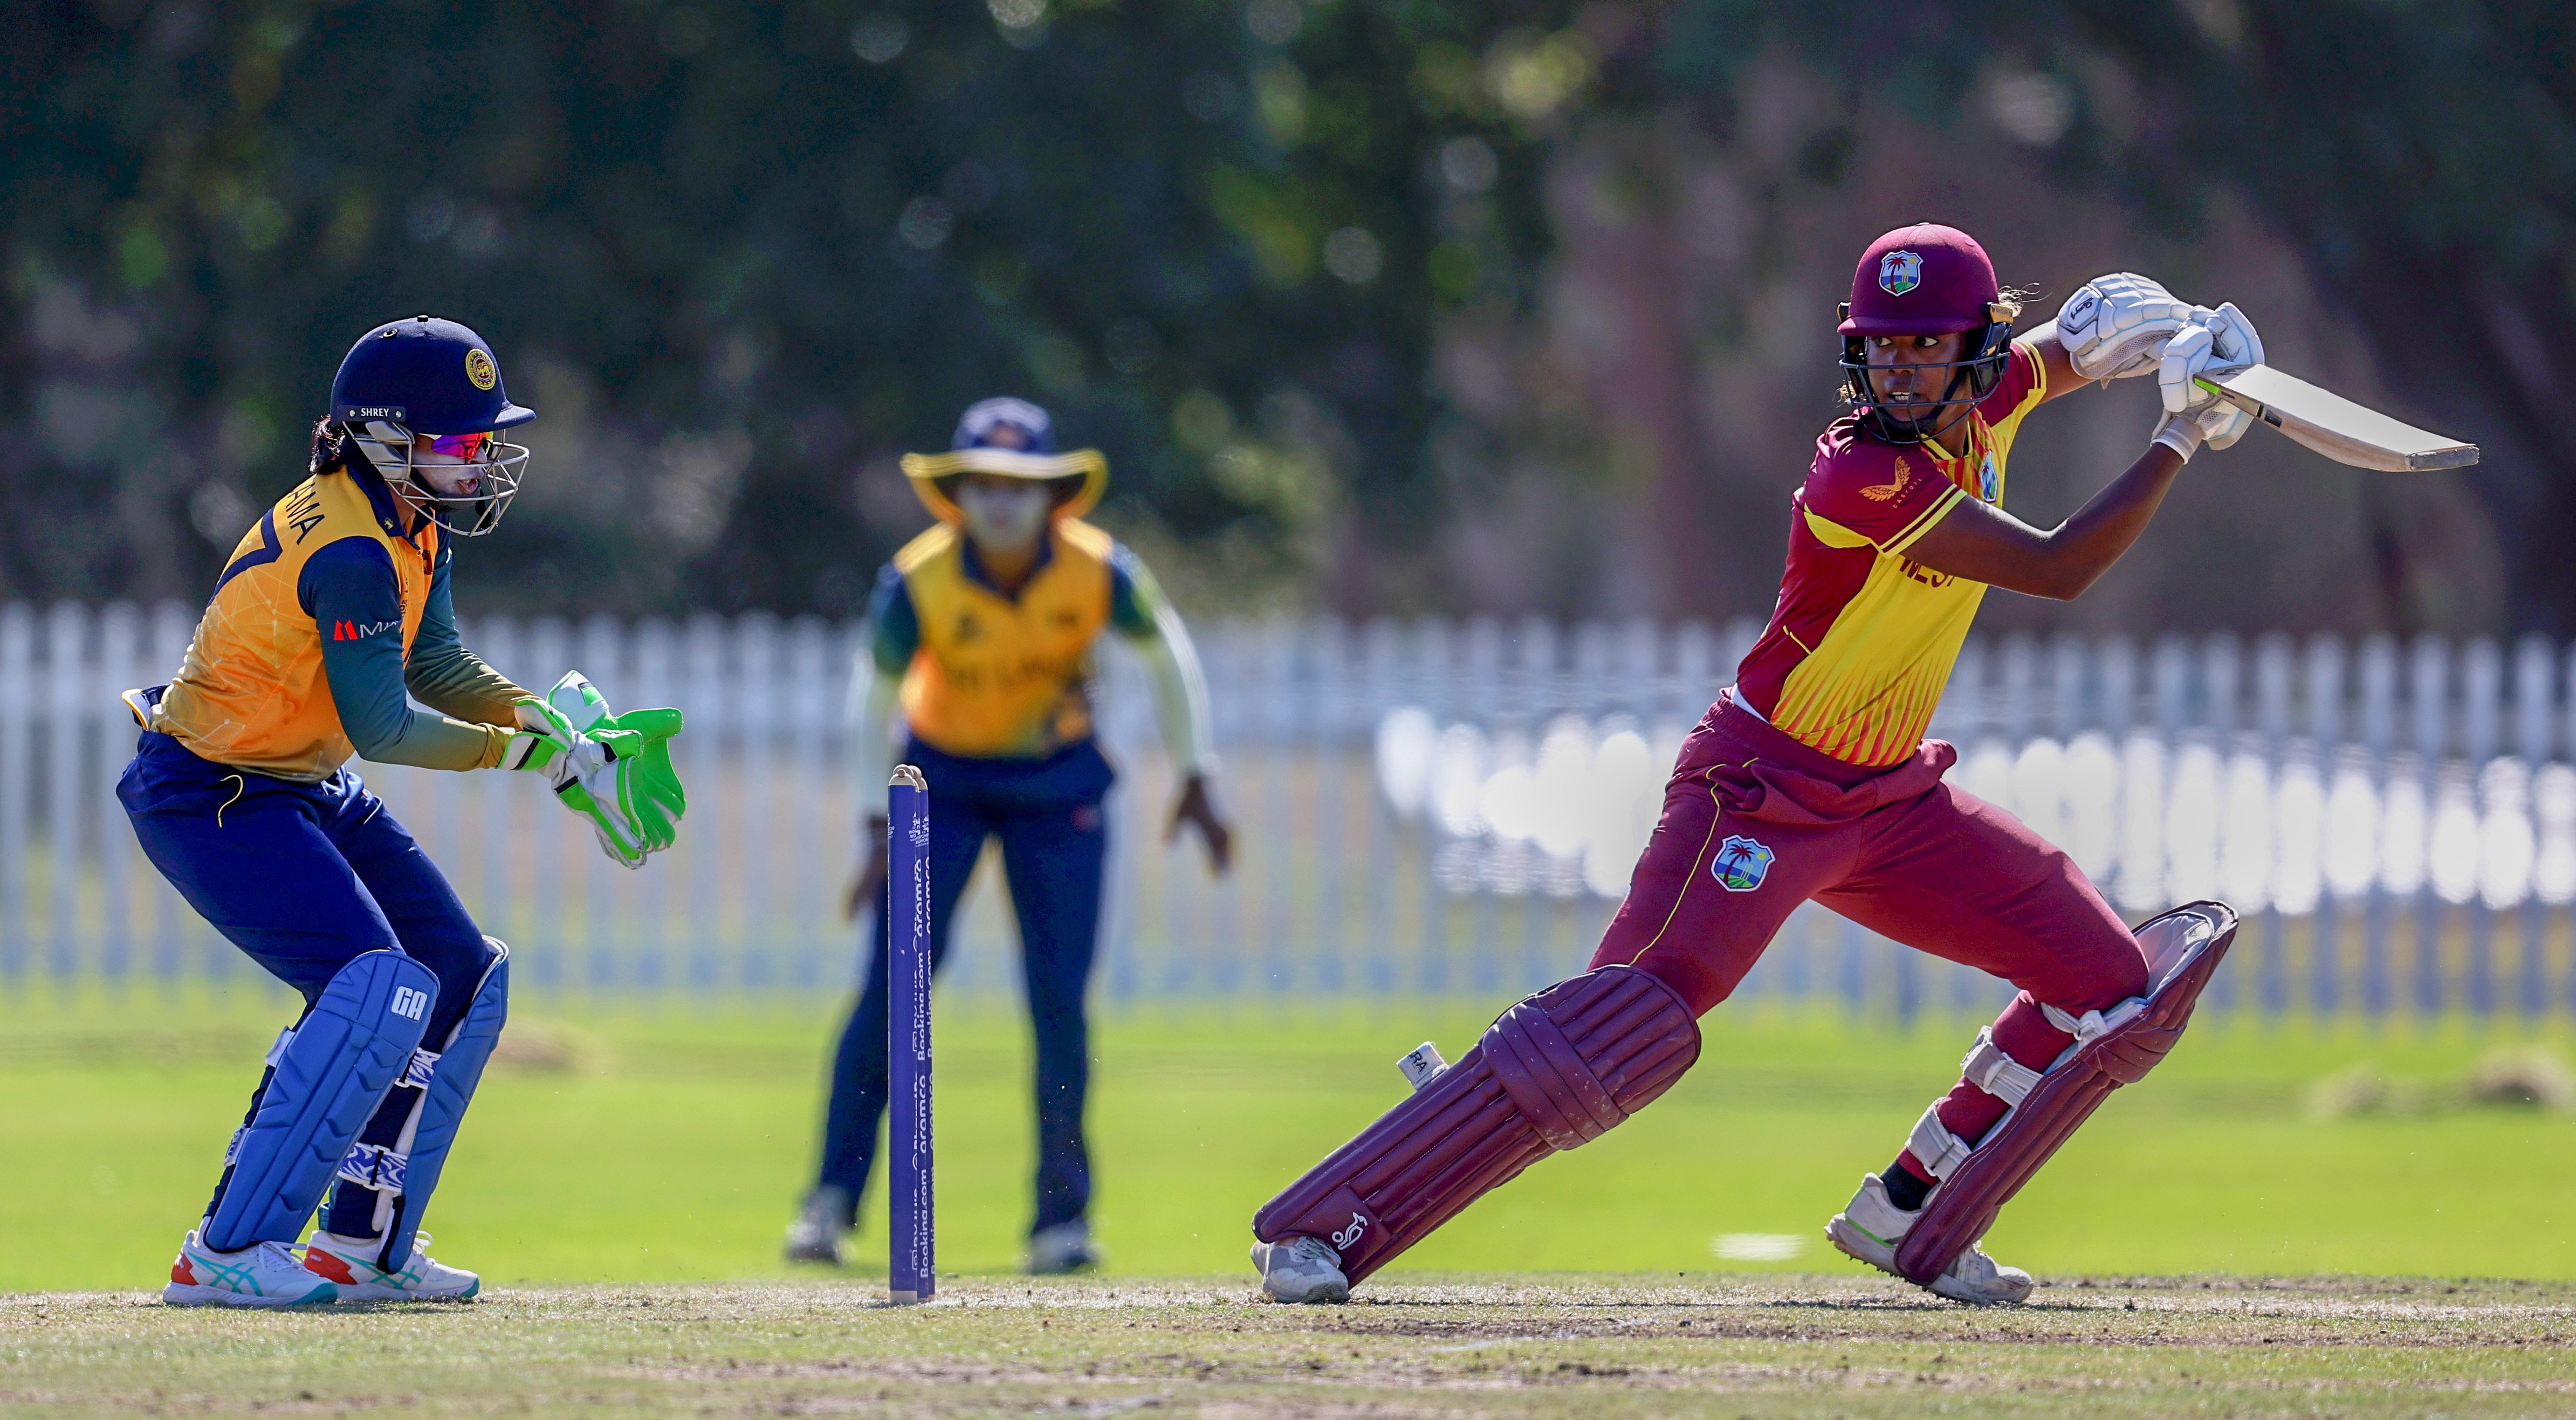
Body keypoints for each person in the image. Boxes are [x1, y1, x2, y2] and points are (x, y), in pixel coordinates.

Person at [1248, 223, 2261, 1306]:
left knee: (2106, 984)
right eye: (1882, 349)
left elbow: (2052, 359)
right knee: (1604, 1038)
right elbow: (2058, 569)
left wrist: (2123, 330)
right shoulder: (1863, 472)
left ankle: (1911, 1211)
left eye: (1925, 349)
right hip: (1759, 793)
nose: (1901, 371)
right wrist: (2178, 434)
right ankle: (1323, 1227)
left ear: (1977, 348)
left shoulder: (1986, 393)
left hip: (1892, 800)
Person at [127, 316, 685, 1307]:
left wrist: (545, 719)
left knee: (462, 975)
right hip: (209, 790)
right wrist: (525, 755)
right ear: (389, 439)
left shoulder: (410, 516)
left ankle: (359, 1244)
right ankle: (225, 1247)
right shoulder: (348, 547)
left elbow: (435, 665)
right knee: (373, 981)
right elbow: (385, 727)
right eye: (464, 442)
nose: (482, 461)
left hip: (296, 781)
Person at [787, 397, 1232, 1273]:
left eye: (1019, 486)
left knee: (1060, 1004)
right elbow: (869, 700)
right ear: (957, 495)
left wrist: (1197, 774)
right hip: (939, 784)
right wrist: (876, 826)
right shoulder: (916, 580)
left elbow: (1167, 653)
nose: (999, 502)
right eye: (983, 485)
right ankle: (829, 1203)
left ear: (1054, 496)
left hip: (1057, 782)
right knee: (890, 992)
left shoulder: (1100, 569)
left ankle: (1060, 1221)